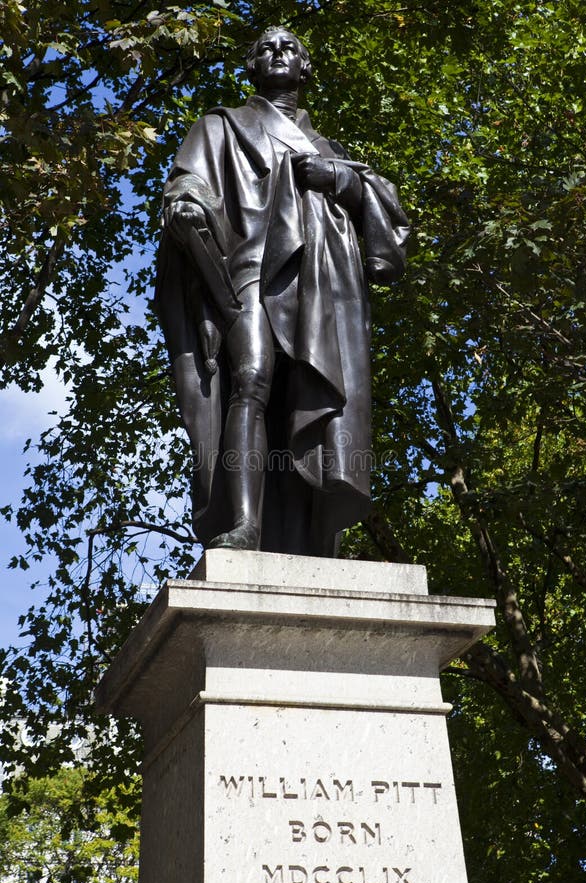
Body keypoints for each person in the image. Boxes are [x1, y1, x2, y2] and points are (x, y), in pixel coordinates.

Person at [154, 26, 409, 556]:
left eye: (289, 45)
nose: (277, 52)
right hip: (245, 270)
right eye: (266, 46)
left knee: (309, 399)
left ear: (305, 67)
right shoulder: (219, 127)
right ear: (251, 66)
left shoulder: (330, 150)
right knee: (249, 376)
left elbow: (385, 216)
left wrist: (338, 179)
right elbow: (189, 181)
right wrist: (184, 203)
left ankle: (314, 529)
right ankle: (245, 524)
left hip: (322, 282)